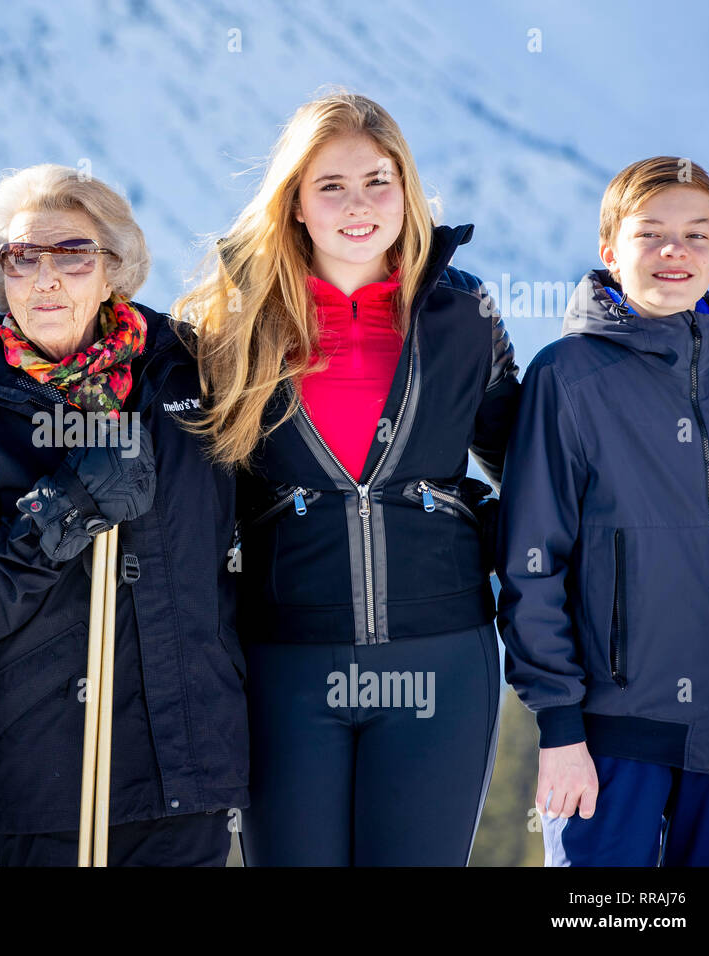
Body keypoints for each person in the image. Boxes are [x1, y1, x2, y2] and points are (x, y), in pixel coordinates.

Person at [177, 91, 521, 865]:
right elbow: (190, 495)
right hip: (287, 660)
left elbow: (527, 470)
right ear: (295, 203)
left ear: (408, 190)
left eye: (377, 180)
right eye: (331, 185)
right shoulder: (236, 326)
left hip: (440, 656)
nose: (357, 205)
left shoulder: (464, 316)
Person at [0, 164, 248, 866]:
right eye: (22, 258)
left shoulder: (193, 376)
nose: (46, 278)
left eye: (73, 255)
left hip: (185, 768)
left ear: (114, 271)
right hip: (45, 779)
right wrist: (67, 508)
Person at [497, 156, 709, 866]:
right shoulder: (568, 375)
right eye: (652, 232)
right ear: (610, 249)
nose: (676, 251)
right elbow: (530, 561)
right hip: (611, 737)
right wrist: (561, 727)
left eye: (697, 235)